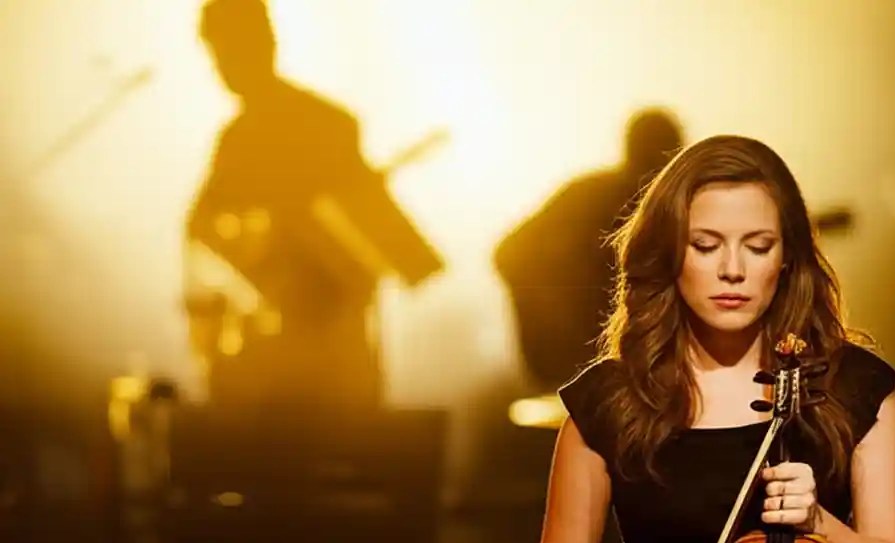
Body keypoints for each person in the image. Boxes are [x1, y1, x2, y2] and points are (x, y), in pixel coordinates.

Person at [534, 135, 895, 543]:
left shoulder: (851, 389)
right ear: (671, 253)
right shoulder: (614, 399)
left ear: (787, 256)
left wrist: (820, 526)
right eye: (706, 246)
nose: (733, 270)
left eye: (758, 246)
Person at [185, 0, 439, 409]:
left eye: (228, 50)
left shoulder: (324, 126)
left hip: (329, 343)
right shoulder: (241, 139)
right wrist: (258, 269)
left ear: (265, 42)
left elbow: (376, 250)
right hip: (277, 350)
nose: (222, 67)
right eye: (217, 55)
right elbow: (200, 231)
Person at [495, 109, 684, 394]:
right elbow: (509, 253)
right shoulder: (587, 197)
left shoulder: (676, 209)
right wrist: (550, 322)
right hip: (593, 359)